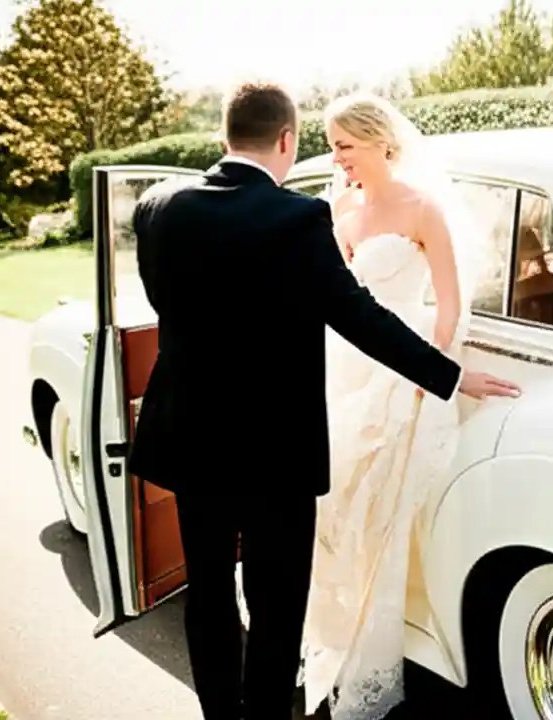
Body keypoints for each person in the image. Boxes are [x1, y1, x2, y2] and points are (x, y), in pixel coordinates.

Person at [125, 81, 521, 720]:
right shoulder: (296, 218)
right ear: (286, 140)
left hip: (191, 442)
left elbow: (166, 303)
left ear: (226, 134)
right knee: (277, 601)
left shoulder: (158, 207)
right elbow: (356, 315)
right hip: (275, 450)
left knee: (210, 596)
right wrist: (449, 375)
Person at [267, 92, 488, 720]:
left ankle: (370, 653)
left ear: (380, 143)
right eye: (333, 146)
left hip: (404, 373)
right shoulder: (338, 207)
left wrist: (429, 373)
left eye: (344, 146)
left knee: (376, 515)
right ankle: (328, 634)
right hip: (344, 367)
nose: (336, 159)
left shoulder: (423, 209)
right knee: (329, 508)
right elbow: (332, 295)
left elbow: (450, 303)